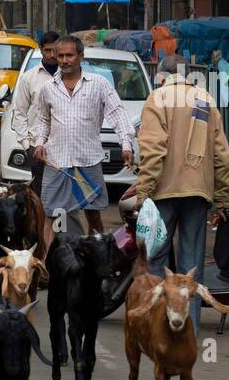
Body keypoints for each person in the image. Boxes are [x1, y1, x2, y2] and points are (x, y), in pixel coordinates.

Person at [133, 54, 229, 340]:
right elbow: (222, 155)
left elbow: (153, 150)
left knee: (155, 261)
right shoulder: (204, 99)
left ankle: (156, 330)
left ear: (162, 75)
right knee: (192, 268)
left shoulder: (158, 98)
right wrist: (224, 198)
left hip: (163, 191)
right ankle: (190, 333)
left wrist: (143, 190)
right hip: (198, 192)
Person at [30, 35, 136, 250]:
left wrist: (126, 144)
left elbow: (118, 114)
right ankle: (48, 263)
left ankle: (95, 257)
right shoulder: (48, 88)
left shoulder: (99, 84)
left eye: (69, 55)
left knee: (94, 213)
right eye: (60, 55)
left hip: (88, 160)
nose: (64, 60)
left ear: (81, 56)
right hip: (57, 161)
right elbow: (42, 119)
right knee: (50, 214)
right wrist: (39, 143)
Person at [8, 30, 60, 195]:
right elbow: (20, 112)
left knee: (61, 194)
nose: (52, 55)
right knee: (39, 191)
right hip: (36, 146)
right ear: (41, 49)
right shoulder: (28, 78)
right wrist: (26, 144)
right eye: (47, 50)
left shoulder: (69, 76)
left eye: (55, 50)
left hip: (63, 146)